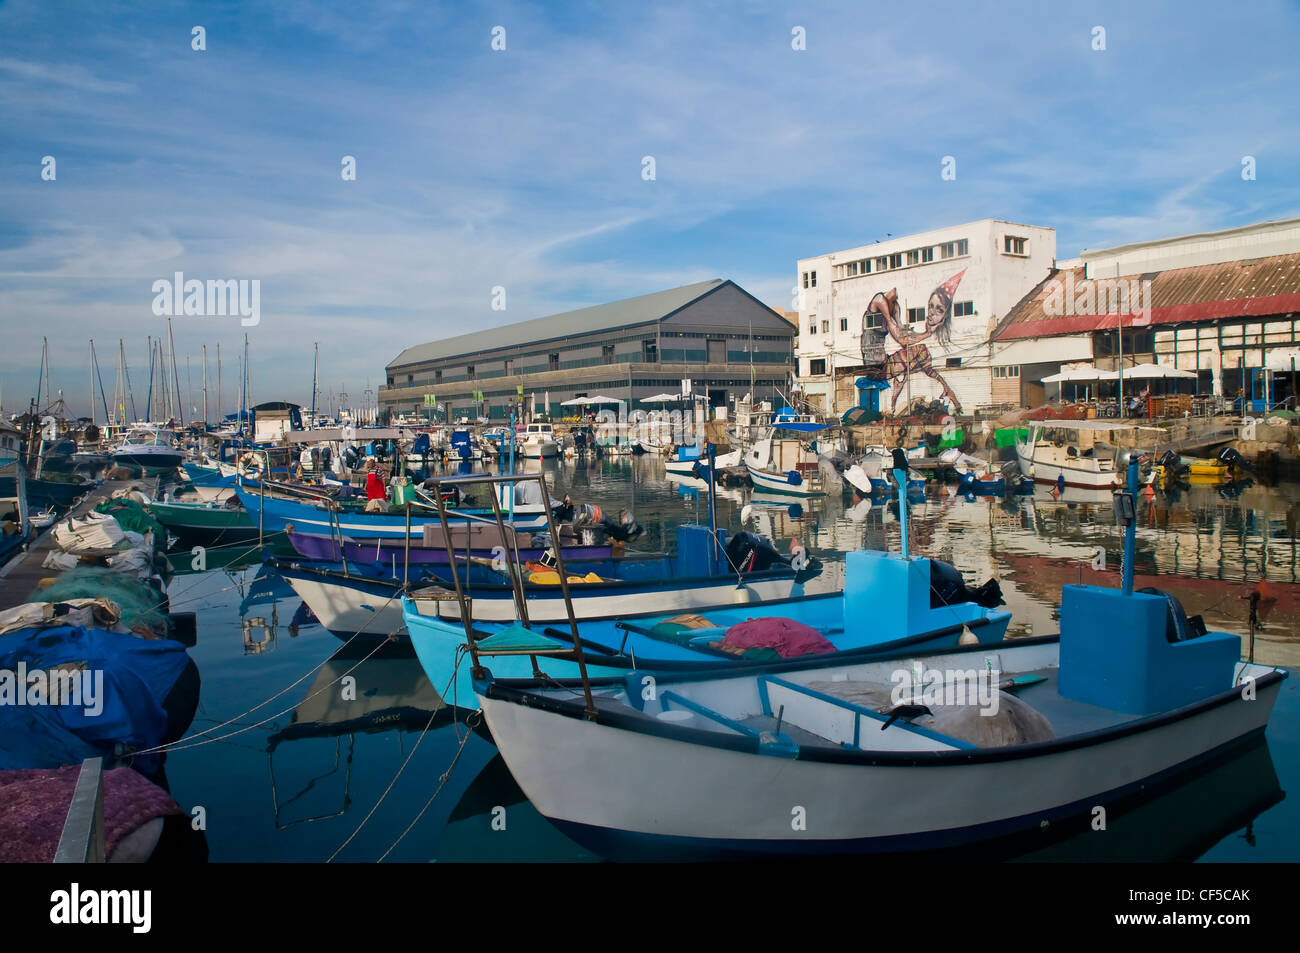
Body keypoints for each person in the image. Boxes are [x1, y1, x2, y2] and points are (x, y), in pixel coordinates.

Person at [873, 271, 966, 415]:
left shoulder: (919, 344)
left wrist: (926, 334)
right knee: (926, 374)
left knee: (924, 372)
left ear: (945, 316)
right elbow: (904, 340)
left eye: (939, 309)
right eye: (931, 306)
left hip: (909, 359)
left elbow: (904, 340)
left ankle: (952, 398)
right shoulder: (905, 353)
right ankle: (953, 399)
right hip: (906, 362)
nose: (931, 313)